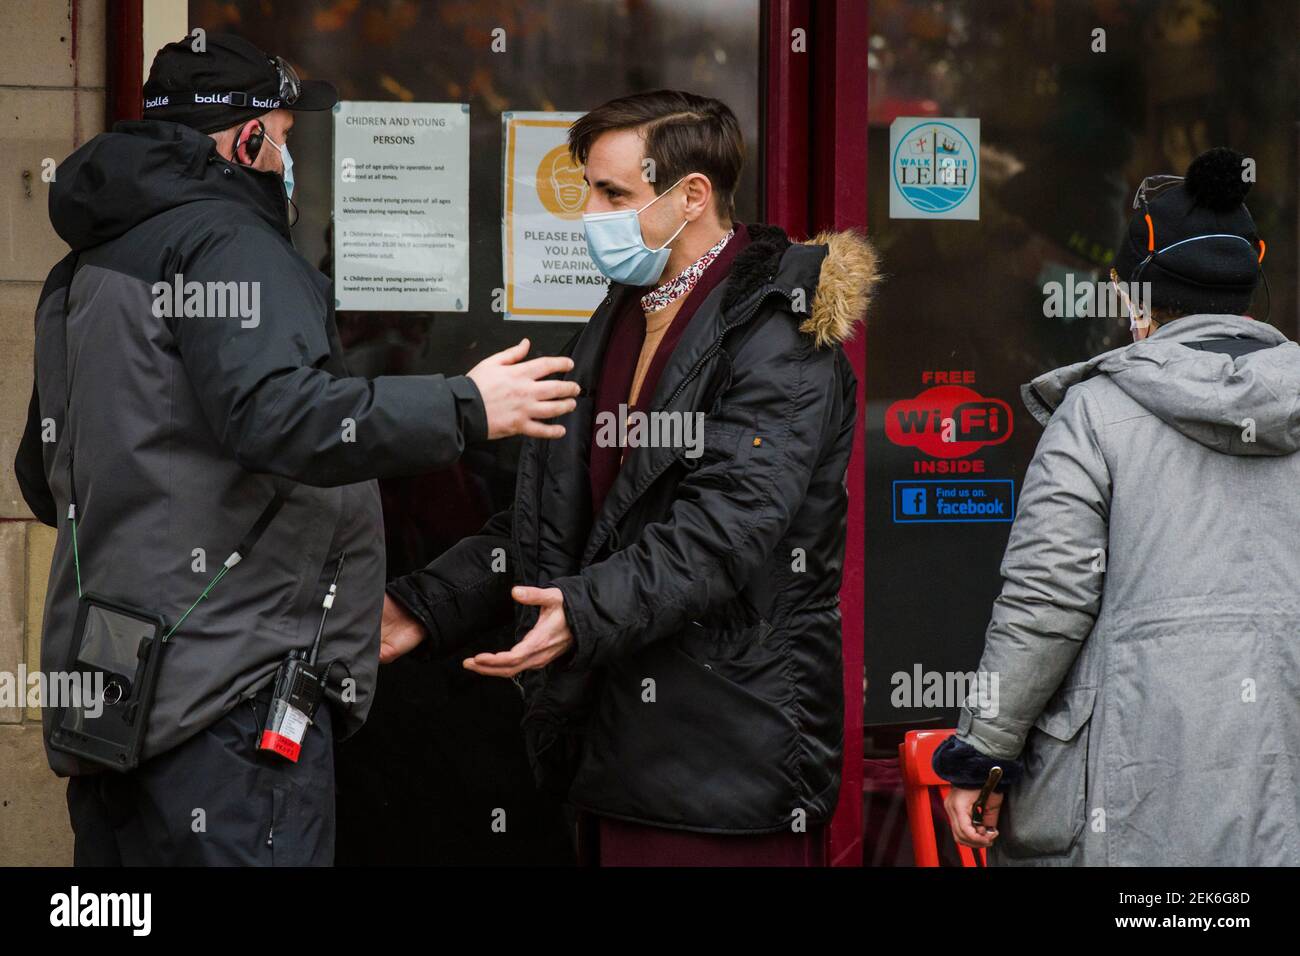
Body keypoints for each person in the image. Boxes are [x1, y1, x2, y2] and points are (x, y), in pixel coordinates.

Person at [12, 33, 578, 866]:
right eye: (285, 136)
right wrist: (466, 405)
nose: (289, 159)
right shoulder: (228, 243)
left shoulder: (85, 265)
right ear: (248, 141)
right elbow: (280, 417)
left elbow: (41, 475)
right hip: (225, 697)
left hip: (114, 687)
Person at [380, 90, 878, 865]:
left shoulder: (780, 335)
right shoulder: (618, 316)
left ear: (692, 196)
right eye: (588, 188)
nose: (590, 212)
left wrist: (578, 611)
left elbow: (724, 532)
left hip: (723, 769)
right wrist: (421, 607)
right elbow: (550, 520)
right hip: (610, 756)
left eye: (614, 192)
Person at [932, 147, 1300, 866]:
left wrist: (982, 754)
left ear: (1134, 297)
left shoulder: (1094, 416)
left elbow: (1046, 602)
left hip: (1130, 808)